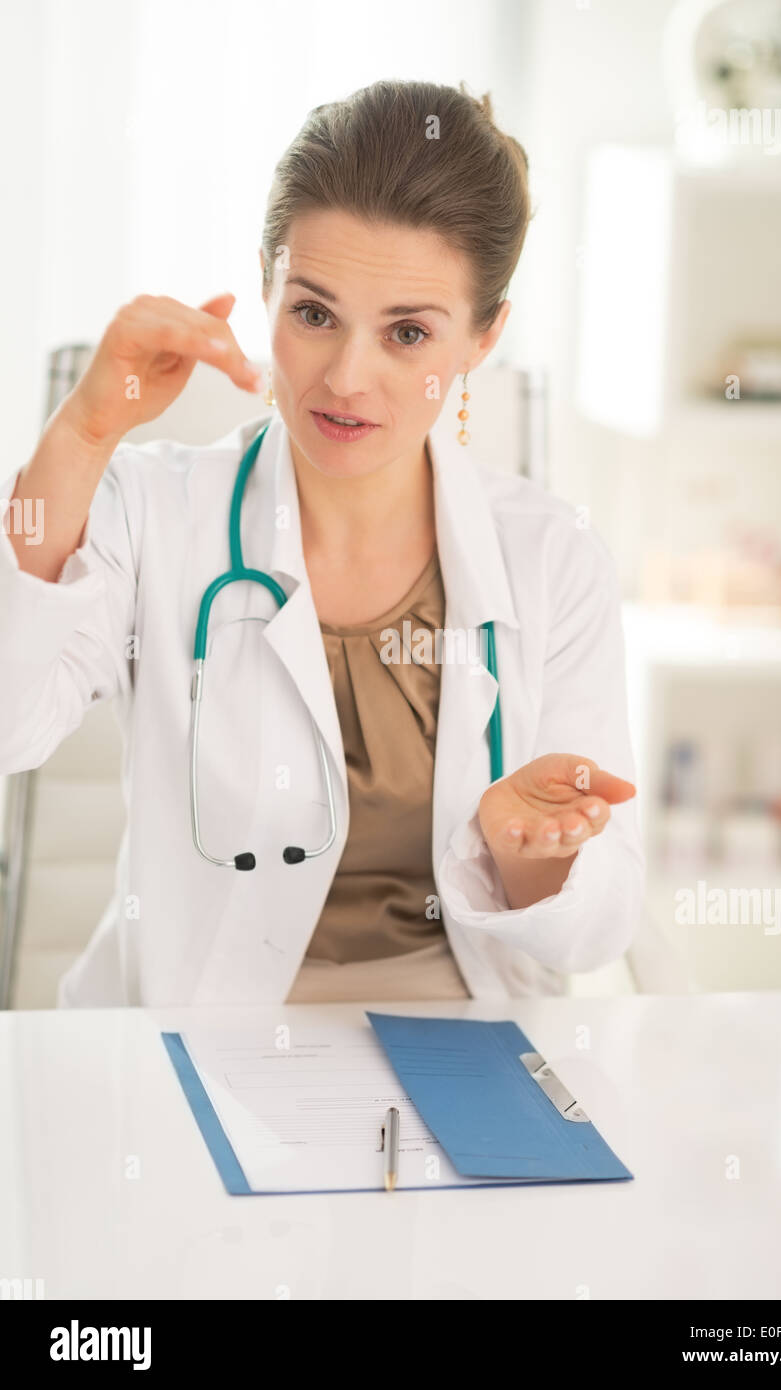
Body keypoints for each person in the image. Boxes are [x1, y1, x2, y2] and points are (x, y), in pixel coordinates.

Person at [0, 79, 643, 1007]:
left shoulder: (551, 558)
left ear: (483, 337)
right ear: (266, 283)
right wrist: (86, 434)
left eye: (408, 333)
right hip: (194, 1031)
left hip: (459, 1034)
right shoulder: (153, 509)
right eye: (313, 313)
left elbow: (599, 927)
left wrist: (526, 853)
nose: (346, 378)